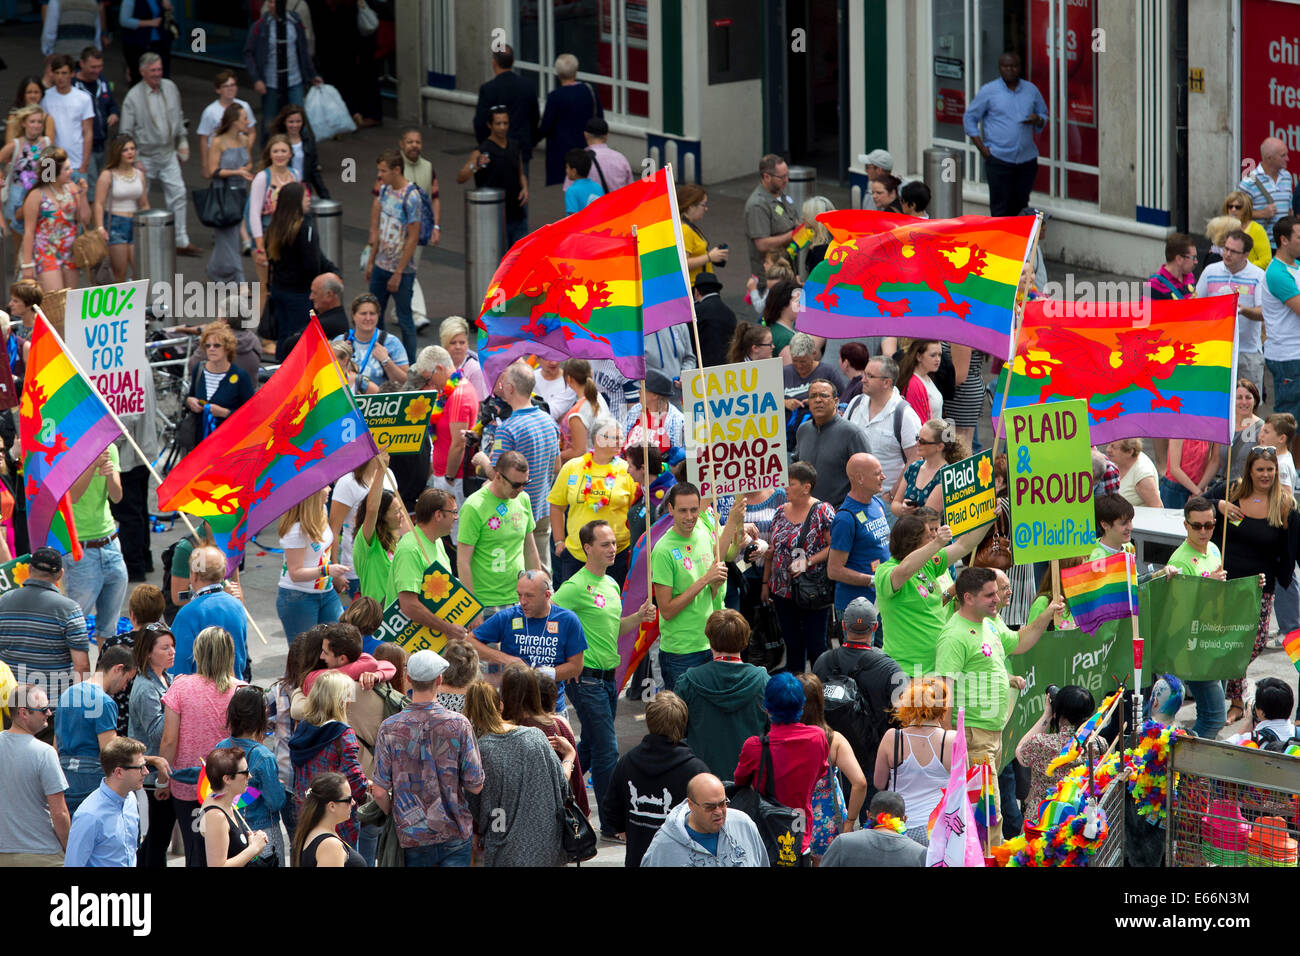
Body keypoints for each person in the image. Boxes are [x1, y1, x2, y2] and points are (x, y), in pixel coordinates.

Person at [935, 567, 1064, 845]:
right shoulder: (954, 636)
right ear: (968, 597)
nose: (999, 599)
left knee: (986, 812)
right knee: (987, 815)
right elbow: (943, 693)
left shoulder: (990, 623)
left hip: (989, 735)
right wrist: (949, 742)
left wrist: (1047, 613)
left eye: (997, 592)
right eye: (990, 594)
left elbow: (1020, 641)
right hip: (971, 736)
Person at [552, 519, 654, 826]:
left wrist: (638, 616)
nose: (613, 549)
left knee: (591, 746)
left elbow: (614, 628)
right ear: (587, 549)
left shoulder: (610, 583)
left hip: (610, 680)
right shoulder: (572, 588)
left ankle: (554, 787)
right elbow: (549, 621)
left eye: (614, 543)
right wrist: (564, 662)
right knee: (607, 751)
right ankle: (612, 823)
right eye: (605, 544)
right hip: (586, 681)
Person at [369, 649, 484, 867]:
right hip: (454, 832)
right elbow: (475, 784)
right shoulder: (459, 724)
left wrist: (395, 813)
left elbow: (380, 791)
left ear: (409, 678)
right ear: (439, 680)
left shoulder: (390, 727)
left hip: (412, 835)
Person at [1217, 446, 1299, 723]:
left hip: (1260, 589)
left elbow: (1294, 549)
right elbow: (1196, 504)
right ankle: (1236, 700)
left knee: (1252, 644)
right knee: (1227, 642)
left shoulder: (1285, 504)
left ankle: (1229, 689)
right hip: (1225, 584)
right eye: (1260, 469)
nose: (1266, 474)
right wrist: (1220, 505)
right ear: (1250, 470)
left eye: (1270, 469)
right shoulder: (1232, 491)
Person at [158, 626, 245, 866]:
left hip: (188, 785)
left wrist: (163, 780)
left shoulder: (180, 686)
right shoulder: (242, 691)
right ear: (230, 654)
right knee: (233, 851)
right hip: (234, 787)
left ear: (198, 653)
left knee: (195, 852)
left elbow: (169, 740)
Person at [462, 680, 570, 867]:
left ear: (470, 712)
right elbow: (561, 784)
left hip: (503, 847)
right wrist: (569, 755)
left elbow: (476, 806)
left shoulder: (481, 751)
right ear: (501, 705)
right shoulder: (536, 737)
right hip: (547, 844)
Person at [601, 690, 710, 867]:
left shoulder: (626, 762)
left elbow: (611, 809)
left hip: (639, 858)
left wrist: (631, 833)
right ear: (683, 723)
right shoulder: (696, 771)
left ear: (649, 721)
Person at [471, 361, 560, 572]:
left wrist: (482, 459)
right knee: (542, 572)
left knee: (519, 574)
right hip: (543, 507)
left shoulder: (508, 429)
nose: (500, 387)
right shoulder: (549, 420)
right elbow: (557, 466)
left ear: (511, 388)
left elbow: (499, 478)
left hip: (516, 511)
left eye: (503, 383)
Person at [875, 515, 987, 676]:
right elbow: (905, 569)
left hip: (940, 666)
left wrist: (989, 516)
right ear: (912, 543)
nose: (934, 537)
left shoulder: (928, 563)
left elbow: (964, 545)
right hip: (908, 673)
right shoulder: (885, 572)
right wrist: (937, 543)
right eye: (929, 536)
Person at [734, 673, 829, 856]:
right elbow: (821, 772)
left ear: (767, 708)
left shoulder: (754, 746)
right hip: (801, 830)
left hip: (765, 832)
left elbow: (739, 781)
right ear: (801, 706)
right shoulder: (817, 738)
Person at [652, 482, 734, 691]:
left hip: (712, 644)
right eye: (682, 510)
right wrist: (706, 579)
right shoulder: (663, 551)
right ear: (670, 510)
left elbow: (710, 592)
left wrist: (716, 584)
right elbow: (667, 610)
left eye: (694, 510)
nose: (689, 517)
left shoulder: (704, 535)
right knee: (683, 719)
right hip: (681, 652)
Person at [669, 606, 766, 778]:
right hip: (751, 781)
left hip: (702, 781)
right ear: (745, 639)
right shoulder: (763, 681)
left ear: (710, 639)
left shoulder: (688, 682)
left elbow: (674, 735)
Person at [469, 569, 585, 712]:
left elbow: (576, 666)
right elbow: (469, 641)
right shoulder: (508, 617)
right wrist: (505, 659)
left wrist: (547, 673)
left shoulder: (567, 620)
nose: (522, 602)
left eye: (529, 596)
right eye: (519, 595)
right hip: (514, 710)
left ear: (547, 595)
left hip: (551, 710)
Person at [119, 53, 199, 257]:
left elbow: (178, 115)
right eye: (153, 70)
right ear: (142, 71)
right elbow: (125, 132)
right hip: (144, 155)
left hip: (168, 152)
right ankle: (137, 242)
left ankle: (180, 240)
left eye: (159, 70)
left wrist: (182, 140)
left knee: (179, 193)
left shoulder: (170, 87)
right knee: (138, 198)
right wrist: (135, 159)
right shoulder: (133, 97)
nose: (157, 74)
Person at [812, 597, 903, 775]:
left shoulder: (823, 662)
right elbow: (905, 716)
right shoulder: (890, 668)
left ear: (844, 626)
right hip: (873, 761)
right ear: (876, 626)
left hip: (830, 758)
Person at [762, 461, 836, 672]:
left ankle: (820, 693)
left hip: (811, 591)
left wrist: (809, 561)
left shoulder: (823, 511)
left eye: (791, 483)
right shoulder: (779, 511)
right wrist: (765, 582)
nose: (785, 487)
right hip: (781, 591)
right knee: (793, 646)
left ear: (806, 487)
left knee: (816, 646)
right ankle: (795, 693)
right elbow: (773, 549)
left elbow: (835, 547)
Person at [548, 417, 637, 584]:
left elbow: (636, 510)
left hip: (614, 557)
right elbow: (556, 506)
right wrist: (559, 542)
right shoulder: (573, 467)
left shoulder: (627, 470)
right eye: (615, 438)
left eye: (621, 437)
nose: (621, 442)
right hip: (576, 555)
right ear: (599, 439)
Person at [288, 670, 368, 850]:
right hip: (338, 819)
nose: (349, 702)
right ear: (339, 700)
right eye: (348, 696)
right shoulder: (342, 734)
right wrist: (367, 788)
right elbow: (353, 778)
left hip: (307, 812)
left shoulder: (302, 728)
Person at [963, 51, 1047, 217]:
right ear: (1000, 68)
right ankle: (1001, 242)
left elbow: (1044, 114)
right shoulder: (989, 91)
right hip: (999, 159)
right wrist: (982, 148)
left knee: (1021, 206)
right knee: (1000, 208)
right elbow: (969, 118)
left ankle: (1018, 242)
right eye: (1006, 66)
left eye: (1014, 66)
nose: (1010, 70)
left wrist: (1037, 119)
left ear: (1019, 68)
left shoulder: (1031, 90)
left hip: (1026, 160)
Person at [872, 676, 955, 844]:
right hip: (938, 827)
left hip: (899, 826)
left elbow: (879, 783)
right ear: (942, 707)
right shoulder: (952, 740)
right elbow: (962, 788)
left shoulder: (892, 738)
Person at [0, 547, 89, 704]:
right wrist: (77, 705)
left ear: (29, 569)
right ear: (60, 574)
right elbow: (81, 665)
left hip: (10, 703)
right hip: (50, 707)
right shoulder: (70, 609)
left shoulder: (3, 601)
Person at [54, 645, 135, 814]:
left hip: (64, 778)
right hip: (92, 782)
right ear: (118, 669)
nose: (125, 687)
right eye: (127, 679)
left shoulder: (68, 694)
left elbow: (56, 746)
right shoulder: (104, 702)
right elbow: (111, 753)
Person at [457, 451, 541, 611]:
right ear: (498, 476)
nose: (521, 489)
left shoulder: (523, 499)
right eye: (516, 485)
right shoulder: (474, 506)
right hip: (486, 603)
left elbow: (529, 548)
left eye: (526, 483)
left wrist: (538, 589)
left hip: (519, 599)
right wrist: (472, 609)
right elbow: (462, 561)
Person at [796, 672, 868, 859]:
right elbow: (860, 782)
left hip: (794, 818)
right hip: (829, 820)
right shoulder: (833, 740)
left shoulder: (783, 738)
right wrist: (851, 821)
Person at [0, 684, 71, 866]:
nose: (49, 714)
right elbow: (60, 812)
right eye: (43, 709)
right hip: (41, 853)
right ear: (24, 713)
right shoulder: (45, 753)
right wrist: (70, 849)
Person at [390, 488, 472, 643]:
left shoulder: (438, 541)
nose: (456, 517)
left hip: (435, 642)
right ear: (438, 515)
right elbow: (409, 605)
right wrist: (447, 628)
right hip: (410, 646)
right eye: (454, 512)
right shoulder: (410, 548)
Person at [267, 181, 336, 360]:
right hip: (299, 294)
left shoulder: (276, 224)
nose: (308, 200)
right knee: (299, 338)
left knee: (283, 336)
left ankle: (279, 371)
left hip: (279, 289)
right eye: (305, 197)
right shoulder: (305, 226)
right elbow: (312, 263)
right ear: (296, 200)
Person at [641, 771, 769, 867]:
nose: (718, 812)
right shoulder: (664, 846)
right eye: (710, 807)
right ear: (691, 805)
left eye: (723, 803)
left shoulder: (744, 825)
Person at [64, 444, 126, 637]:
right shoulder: (65, 448)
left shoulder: (110, 448)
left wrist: (109, 474)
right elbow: (72, 496)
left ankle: (105, 667)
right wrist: (92, 467)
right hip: (80, 547)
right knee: (75, 625)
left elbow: (117, 497)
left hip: (110, 542)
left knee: (109, 628)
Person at [366, 149, 422, 360]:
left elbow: (413, 237)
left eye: (383, 171)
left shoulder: (411, 196)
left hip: (402, 270)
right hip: (381, 265)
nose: (380, 176)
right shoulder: (384, 190)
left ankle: (410, 364)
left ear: (396, 170)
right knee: (374, 316)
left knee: (405, 319)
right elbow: (380, 228)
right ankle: (379, 358)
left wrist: (398, 272)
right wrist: (371, 261)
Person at [1015, 685, 1097, 827]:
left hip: (1043, 819)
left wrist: (1047, 715)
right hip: (1081, 819)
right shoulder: (1098, 744)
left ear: (1059, 712)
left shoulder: (1043, 744)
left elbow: (1021, 752)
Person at [1196, 229, 1266, 394]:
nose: (1227, 254)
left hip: (1247, 352)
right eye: (1226, 249)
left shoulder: (1258, 276)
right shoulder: (1210, 271)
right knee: (1215, 402)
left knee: (1249, 406)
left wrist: (1241, 310)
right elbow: (1196, 305)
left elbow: (1263, 312)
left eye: (1234, 251)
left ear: (1246, 255)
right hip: (1216, 351)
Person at [126, 623, 173, 867]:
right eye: (164, 647)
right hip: (152, 777)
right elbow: (155, 734)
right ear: (147, 653)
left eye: (172, 646)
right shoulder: (146, 688)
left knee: (159, 839)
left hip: (162, 773)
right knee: (154, 842)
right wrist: (175, 706)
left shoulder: (167, 679)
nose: (172, 651)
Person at [64, 735, 149, 867]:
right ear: (119, 772)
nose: (146, 772)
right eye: (140, 767)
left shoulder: (131, 799)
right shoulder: (89, 815)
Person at [844, 354, 923, 497]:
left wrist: (893, 494)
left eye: (870, 376)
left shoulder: (905, 415)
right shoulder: (855, 403)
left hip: (885, 501)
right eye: (864, 374)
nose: (863, 380)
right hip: (853, 498)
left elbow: (916, 458)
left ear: (887, 382)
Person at [276, 489, 348, 640]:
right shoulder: (295, 530)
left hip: (327, 593)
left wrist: (333, 574)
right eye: (324, 487)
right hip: (298, 597)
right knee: (305, 656)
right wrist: (328, 570)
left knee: (340, 641)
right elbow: (295, 573)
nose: (329, 489)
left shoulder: (321, 511)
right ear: (311, 494)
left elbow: (322, 553)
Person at [169, 545, 248, 680]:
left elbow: (179, 665)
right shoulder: (237, 606)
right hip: (233, 687)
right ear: (223, 575)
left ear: (194, 576)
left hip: (199, 694)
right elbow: (241, 655)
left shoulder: (188, 614)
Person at [242, 0, 320, 136]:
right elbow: (248, 53)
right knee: (270, 122)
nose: (273, 5)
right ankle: (268, 153)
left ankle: (304, 152)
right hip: (271, 82)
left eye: (276, 2)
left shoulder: (295, 22)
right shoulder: (261, 25)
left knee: (299, 119)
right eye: (270, 2)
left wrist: (312, 74)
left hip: (294, 80)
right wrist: (257, 79)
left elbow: (303, 50)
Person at [19, 145, 90, 291]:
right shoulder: (36, 195)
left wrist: (82, 196)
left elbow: (85, 219)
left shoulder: (72, 188)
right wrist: (27, 265)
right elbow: (28, 232)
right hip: (46, 253)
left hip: (70, 252)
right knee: (55, 299)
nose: (71, 172)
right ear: (53, 171)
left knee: (71, 301)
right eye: (67, 169)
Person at [458, 106, 529, 246]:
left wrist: (525, 188)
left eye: (505, 123)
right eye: (498, 123)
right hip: (493, 217)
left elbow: (520, 172)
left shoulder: (514, 146)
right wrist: (475, 166)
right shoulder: (482, 150)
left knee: (520, 259)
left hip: (516, 214)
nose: (502, 127)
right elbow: (460, 177)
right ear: (489, 125)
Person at [792, 378, 869, 508]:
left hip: (840, 514)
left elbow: (867, 476)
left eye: (824, 396)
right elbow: (796, 466)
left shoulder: (852, 434)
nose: (818, 400)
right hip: (806, 513)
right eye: (813, 396)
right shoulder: (803, 430)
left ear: (835, 402)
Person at [346, 454, 408, 607]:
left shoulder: (396, 541)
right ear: (382, 516)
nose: (402, 516)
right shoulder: (368, 543)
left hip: (397, 617)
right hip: (376, 615)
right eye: (396, 512)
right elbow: (372, 509)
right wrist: (381, 470)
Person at [200, 104, 251, 285]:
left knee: (229, 236)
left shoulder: (244, 140)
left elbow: (249, 163)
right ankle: (240, 281)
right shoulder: (218, 142)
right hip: (223, 192)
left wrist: (245, 170)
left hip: (240, 191)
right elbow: (214, 170)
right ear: (234, 122)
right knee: (228, 236)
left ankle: (214, 270)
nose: (248, 122)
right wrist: (237, 172)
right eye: (244, 118)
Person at [247, 133, 299, 314]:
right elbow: (253, 213)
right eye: (275, 151)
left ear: (290, 154)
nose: (280, 155)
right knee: (265, 286)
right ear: (270, 154)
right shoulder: (262, 177)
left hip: (289, 235)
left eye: (283, 151)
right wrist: (260, 246)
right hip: (267, 234)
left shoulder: (295, 175)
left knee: (285, 285)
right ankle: (264, 331)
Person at [198, 745, 271, 867]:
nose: (250, 776)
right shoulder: (216, 816)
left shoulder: (225, 803)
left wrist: (250, 843)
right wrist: (254, 848)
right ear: (227, 779)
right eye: (245, 772)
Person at [538, 53, 602, 189]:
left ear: (558, 73)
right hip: (587, 151)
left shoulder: (555, 97)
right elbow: (600, 118)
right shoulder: (589, 91)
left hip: (562, 155)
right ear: (576, 70)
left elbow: (545, 127)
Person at [471, 45, 539, 170]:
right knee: (520, 186)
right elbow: (534, 117)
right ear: (513, 61)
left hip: (495, 150)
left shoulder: (488, 89)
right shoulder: (527, 86)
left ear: (494, 62)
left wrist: (485, 145)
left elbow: (480, 122)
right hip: (521, 148)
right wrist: (531, 142)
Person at [185, 321, 254, 443]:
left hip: (228, 443)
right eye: (208, 346)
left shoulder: (240, 376)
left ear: (227, 348)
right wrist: (189, 401)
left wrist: (225, 413)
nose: (211, 349)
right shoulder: (199, 369)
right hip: (199, 445)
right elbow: (190, 396)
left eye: (217, 346)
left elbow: (252, 414)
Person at [91, 134, 147, 282]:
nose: (130, 152)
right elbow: (99, 203)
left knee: (140, 269)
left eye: (132, 149)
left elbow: (144, 203)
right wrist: (100, 228)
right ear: (117, 153)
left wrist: (148, 224)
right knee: (119, 271)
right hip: (116, 223)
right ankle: (119, 304)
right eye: (125, 150)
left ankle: (136, 302)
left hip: (136, 223)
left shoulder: (139, 174)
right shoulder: (108, 175)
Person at [1262, 215, 1300, 431]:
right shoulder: (1277, 273)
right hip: (1287, 357)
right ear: (1284, 240)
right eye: (1299, 237)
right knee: (1288, 423)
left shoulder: (1296, 267)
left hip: (1295, 354)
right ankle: (1284, 465)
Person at [891, 419, 966, 517]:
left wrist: (908, 512)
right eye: (917, 438)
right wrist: (902, 509)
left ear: (939, 447)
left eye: (922, 441)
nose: (916, 444)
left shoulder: (946, 475)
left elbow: (927, 518)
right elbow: (895, 504)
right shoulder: (914, 467)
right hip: (909, 529)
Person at [335, 292, 409, 390]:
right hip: (348, 401)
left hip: (379, 402)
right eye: (363, 313)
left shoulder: (392, 343)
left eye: (372, 313)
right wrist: (339, 357)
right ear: (353, 315)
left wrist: (386, 361)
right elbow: (326, 376)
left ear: (378, 315)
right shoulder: (340, 341)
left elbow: (406, 382)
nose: (368, 318)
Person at [292, 772, 366, 867]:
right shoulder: (330, 845)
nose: (353, 802)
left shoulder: (312, 831)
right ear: (332, 806)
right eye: (348, 799)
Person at [40, 55, 93, 187]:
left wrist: (84, 164)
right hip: (51, 160)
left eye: (64, 73)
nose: (60, 77)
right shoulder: (45, 97)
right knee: (49, 201)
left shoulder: (83, 98)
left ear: (72, 74)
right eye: (57, 73)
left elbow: (88, 132)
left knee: (78, 201)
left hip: (76, 163)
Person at [744, 153, 796, 276]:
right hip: (769, 278)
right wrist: (792, 235)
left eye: (787, 175)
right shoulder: (757, 205)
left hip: (787, 271)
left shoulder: (781, 194)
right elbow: (762, 244)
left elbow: (791, 221)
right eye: (782, 177)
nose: (786, 180)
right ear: (766, 177)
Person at [1239, 136, 1293, 244]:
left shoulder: (1287, 176)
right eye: (1283, 155)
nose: (1287, 158)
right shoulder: (1249, 182)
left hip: (1284, 246)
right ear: (1269, 158)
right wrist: (1262, 213)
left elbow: (1289, 210)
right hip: (1261, 245)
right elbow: (1237, 213)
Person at [270, 104, 329, 200]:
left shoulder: (308, 141)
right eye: (291, 122)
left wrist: (325, 196)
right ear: (284, 122)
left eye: (298, 121)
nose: (295, 125)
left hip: (303, 188)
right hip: (282, 189)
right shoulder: (277, 141)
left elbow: (314, 170)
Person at [196, 70, 255, 159]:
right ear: (218, 90)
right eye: (225, 86)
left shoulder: (245, 106)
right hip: (217, 156)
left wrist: (244, 152)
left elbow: (252, 132)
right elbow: (204, 139)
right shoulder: (210, 111)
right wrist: (205, 164)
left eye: (232, 85)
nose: (230, 89)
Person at [679, 183, 728, 283]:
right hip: (695, 288)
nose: (706, 209)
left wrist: (713, 257)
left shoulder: (688, 226)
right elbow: (683, 264)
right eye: (703, 205)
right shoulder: (685, 230)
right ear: (691, 206)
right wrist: (709, 257)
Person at [1226, 678, 1297, 746]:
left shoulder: (1252, 739)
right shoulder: (1297, 733)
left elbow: (1220, 750)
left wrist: (1247, 723)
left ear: (1261, 712)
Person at [118, 0, 173, 87]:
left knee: (161, 74)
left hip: (158, 42)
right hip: (137, 44)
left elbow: (165, 16)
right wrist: (150, 23)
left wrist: (167, 7)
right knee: (138, 76)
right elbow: (124, 21)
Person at [437, 315, 487, 404]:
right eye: (453, 343)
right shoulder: (436, 364)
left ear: (467, 343)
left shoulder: (475, 369)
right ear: (444, 344)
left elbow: (477, 407)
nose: (458, 347)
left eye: (462, 342)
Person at [1221, 191, 1272, 268]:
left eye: (1238, 207)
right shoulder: (1223, 227)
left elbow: (1266, 261)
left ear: (1245, 209)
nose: (1233, 209)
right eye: (1230, 206)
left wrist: (1242, 268)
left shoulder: (1257, 229)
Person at [1106, 438, 1162, 509]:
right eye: (1109, 445)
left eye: (1113, 447)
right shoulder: (1117, 461)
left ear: (1130, 452)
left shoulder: (1143, 476)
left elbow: (1158, 508)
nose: (1108, 449)